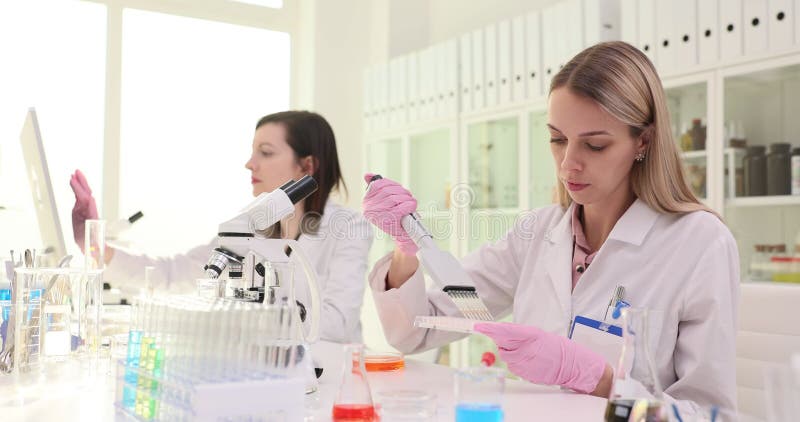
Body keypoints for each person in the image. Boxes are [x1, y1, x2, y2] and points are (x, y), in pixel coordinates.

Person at [362, 41, 739, 417]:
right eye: (558, 140)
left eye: (594, 145)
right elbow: (417, 330)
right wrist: (405, 247)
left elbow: (711, 414)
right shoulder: (538, 232)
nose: (567, 165)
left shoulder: (698, 242)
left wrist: (603, 382)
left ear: (643, 140)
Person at [71, 110, 373, 343]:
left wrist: (241, 318)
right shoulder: (248, 226)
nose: (250, 163)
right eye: (253, 152)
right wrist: (95, 246)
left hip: (331, 379)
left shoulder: (346, 227)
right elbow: (174, 274)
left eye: (265, 153)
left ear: (307, 166)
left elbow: (337, 323)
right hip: (269, 372)